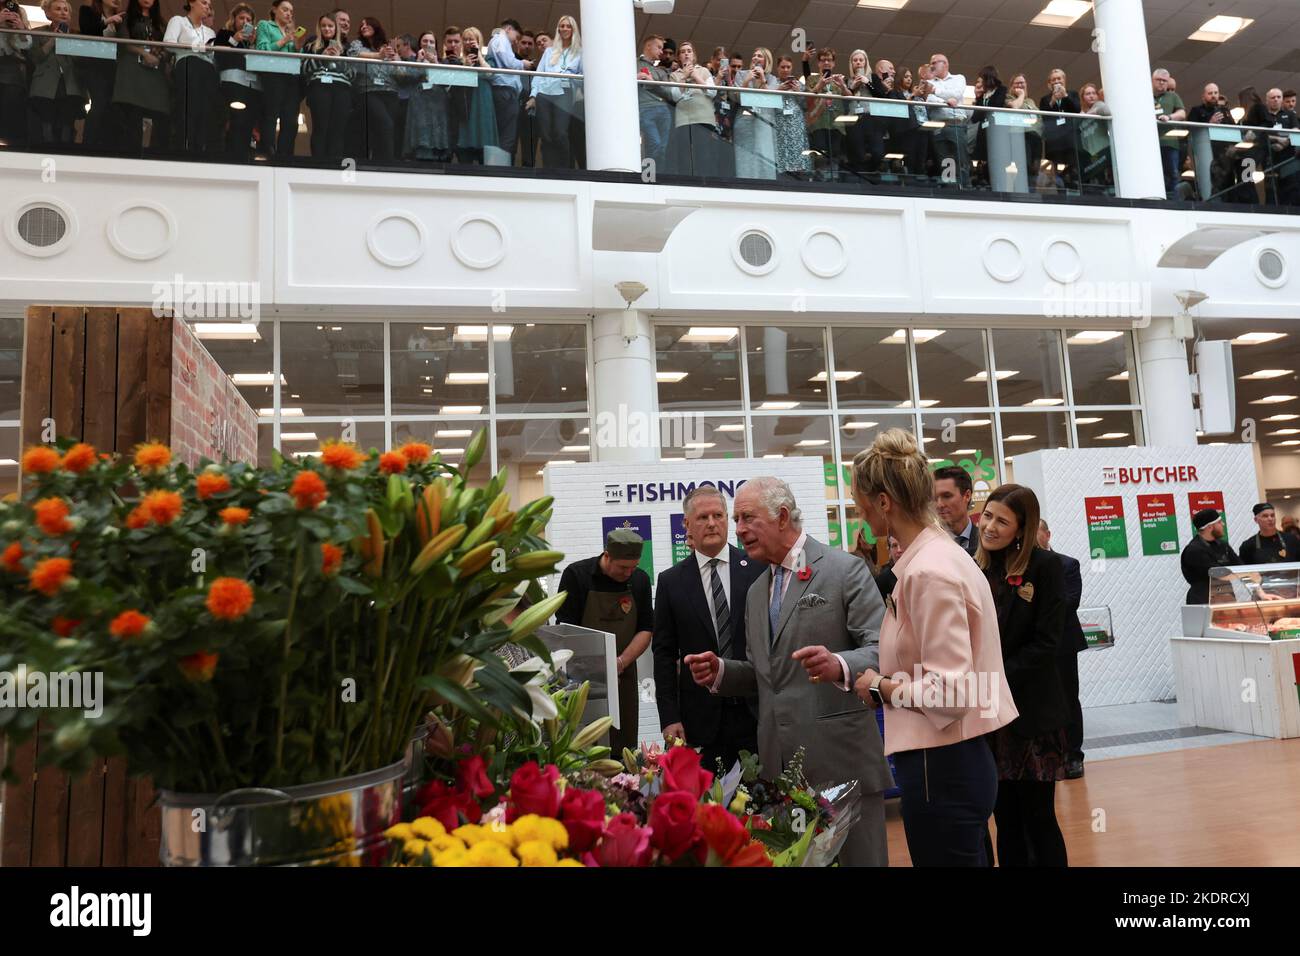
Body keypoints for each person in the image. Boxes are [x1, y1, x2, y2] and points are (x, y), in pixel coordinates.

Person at [685, 476, 894, 866]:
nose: (739, 528)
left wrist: (840, 665)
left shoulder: (843, 569)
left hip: (841, 763)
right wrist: (721, 672)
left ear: (782, 516)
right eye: (737, 519)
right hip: (781, 771)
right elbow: (765, 674)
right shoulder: (755, 590)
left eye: (747, 517)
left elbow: (883, 650)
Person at [850, 429, 1016, 866]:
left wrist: (881, 687)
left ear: (884, 501)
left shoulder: (929, 572)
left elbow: (950, 693)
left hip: (940, 766)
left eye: (860, 499)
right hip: (947, 763)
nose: (857, 509)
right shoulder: (935, 558)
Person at [977, 483, 1069, 867]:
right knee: (1005, 820)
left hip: (1032, 716)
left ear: (1022, 527)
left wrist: (996, 677)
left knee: (1039, 818)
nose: (990, 526)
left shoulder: (1044, 567)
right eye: (987, 515)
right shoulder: (973, 566)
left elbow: (1048, 643)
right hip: (989, 717)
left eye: (1002, 520)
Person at [652, 486, 763, 772]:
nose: (712, 523)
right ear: (687, 525)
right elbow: (663, 654)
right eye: (702, 517)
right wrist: (669, 717)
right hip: (700, 718)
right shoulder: (671, 582)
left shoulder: (758, 569)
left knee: (766, 806)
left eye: (718, 515)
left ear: (728, 519)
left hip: (757, 712)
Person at [556, 528, 653, 756]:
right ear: (607, 555)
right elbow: (564, 630)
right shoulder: (577, 576)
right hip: (581, 677)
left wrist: (619, 663)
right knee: (584, 744)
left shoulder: (639, 581)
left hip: (623, 674)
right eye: (622, 567)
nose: (629, 572)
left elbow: (646, 629)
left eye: (633, 566)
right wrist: (596, 666)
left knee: (624, 745)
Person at [1038, 519, 1086, 779]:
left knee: (1068, 699)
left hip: (1062, 645)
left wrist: (1033, 612)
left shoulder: (1067, 564)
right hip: (1033, 647)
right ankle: (1048, 754)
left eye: (1038, 532)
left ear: (1047, 534)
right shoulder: (1020, 566)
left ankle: (1073, 755)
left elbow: (1069, 603)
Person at [110, 0, 170, 153]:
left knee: (161, 115)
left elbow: (168, 45)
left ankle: (156, 156)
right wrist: (144, 53)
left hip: (155, 73)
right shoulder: (127, 18)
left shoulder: (161, 22)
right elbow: (124, 42)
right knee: (132, 115)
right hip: (132, 70)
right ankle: (131, 154)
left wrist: (159, 54)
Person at [29, 0, 86, 147]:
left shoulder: (78, 35)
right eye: (58, 9)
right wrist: (52, 40)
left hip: (70, 85)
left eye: (66, 10)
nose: (63, 12)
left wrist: (68, 41)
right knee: (46, 127)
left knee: (67, 127)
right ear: (48, 13)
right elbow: (35, 57)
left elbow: (82, 61)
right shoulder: (37, 32)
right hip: (45, 86)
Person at [163, 0, 217, 153]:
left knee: (205, 111)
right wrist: (195, 47)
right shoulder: (178, 21)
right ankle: (184, 147)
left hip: (207, 69)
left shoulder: (210, 32)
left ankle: (200, 148)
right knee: (188, 107)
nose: (207, 6)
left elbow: (211, 54)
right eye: (204, 2)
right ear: (192, 3)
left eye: (209, 4)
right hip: (188, 64)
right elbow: (168, 43)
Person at [528, 15, 580, 170]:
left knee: (560, 132)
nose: (564, 28)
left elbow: (584, 77)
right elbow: (539, 73)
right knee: (545, 134)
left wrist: (571, 77)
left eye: (568, 26)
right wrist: (533, 95)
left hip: (564, 92)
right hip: (544, 92)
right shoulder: (550, 51)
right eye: (561, 26)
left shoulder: (579, 52)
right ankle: (548, 169)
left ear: (573, 29)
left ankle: (565, 169)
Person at [347, 15, 401, 162]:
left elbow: (399, 72)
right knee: (386, 124)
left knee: (384, 130)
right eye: (361, 25)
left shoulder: (386, 46)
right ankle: (388, 164)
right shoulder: (358, 44)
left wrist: (395, 57)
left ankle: (379, 163)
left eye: (367, 24)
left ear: (375, 26)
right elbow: (355, 55)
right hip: (368, 91)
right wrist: (379, 55)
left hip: (390, 91)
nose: (363, 26)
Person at [666, 40, 721, 177]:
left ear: (694, 56)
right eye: (683, 52)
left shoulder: (704, 71)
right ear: (679, 57)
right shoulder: (675, 75)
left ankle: (704, 184)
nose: (686, 54)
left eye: (689, 51)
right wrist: (684, 77)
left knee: (703, 155)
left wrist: (695, 76)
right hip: (684, 119)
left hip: (703, 119)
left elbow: (712, 92)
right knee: (684, 155)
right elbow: (675, 96)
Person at [255, 0, 302, 158]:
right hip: (273, 74)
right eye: (285, 9)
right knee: (271, 114)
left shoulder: (290, 30)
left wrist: (296, 44)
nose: (289, 13)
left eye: (291, 11)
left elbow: (297, 57)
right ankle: (267, 151)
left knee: (290, 119)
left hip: (291, 76)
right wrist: (283, 40)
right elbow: (261, 48)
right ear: (275, 10)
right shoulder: (265, 25)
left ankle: (285, 154)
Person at [214, 3, 260, 161]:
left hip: (253, 86)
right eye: (241, 18)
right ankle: (230, 157)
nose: (245, 21)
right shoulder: (224, 34)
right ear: (233, 19)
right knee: (234, 122)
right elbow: (219, 57)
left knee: (248, 124)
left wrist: (254, 44)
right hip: (232, 83)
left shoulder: (256, 40)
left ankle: (244, 157)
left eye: (249, 19)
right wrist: (234, 40)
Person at [301, 13, 351, 159]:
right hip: (319, 88)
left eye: (330, 26)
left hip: (342, 89)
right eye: (323, 26)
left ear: (336, 28)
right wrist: (322, 56)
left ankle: (334, 163)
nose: (327, 29)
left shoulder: (346, 46)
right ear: (319, 28)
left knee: (338, 129)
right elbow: (303, 69)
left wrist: (339, 59)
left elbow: (353, 74)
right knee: (320, 127)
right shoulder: (311, 43)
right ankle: (319, 162)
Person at [78, 0, 124, 148]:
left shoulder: (121, 19)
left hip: (114, 67)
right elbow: (86, 30)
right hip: (95, 64)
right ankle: (89, 144)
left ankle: (107, 144)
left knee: (112, 105)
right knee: (99, 102)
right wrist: (107, 21)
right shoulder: (87, 11)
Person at [484, 18, 530, 161]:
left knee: (505, 134)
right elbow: (509, 62)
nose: (516, 41)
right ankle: (500, 169)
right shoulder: (500, 40)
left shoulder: (500, 41)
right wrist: (523, 64)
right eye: (516, 37)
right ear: (509, 29)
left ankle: (499, 167)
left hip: (505, 92)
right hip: (505, 91)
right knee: (507, 135)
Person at [732, 47, 779, 180]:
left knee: (765, 156)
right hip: (744, 122)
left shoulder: (772, 79)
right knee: (745, 157)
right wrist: (747, 80)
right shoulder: (741, 74)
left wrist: (762, 80)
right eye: (754, 55)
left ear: (767, 61)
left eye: (760, 56)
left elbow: (771, 101)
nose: (755, 58)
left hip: (764, 123)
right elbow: (736, 98)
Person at [455, 26, 500, 164]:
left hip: (483, 101)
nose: (468, 42)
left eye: (471, 39)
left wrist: (479, 56)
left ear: (478, 41)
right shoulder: (459, 60)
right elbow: (457, 80)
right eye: (466, 39)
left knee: (484, 133)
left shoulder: (488, 57)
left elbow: (490, 74)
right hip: (467, 102)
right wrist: (466, 65)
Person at [805, 47, 849, 181]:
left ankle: (834, 182)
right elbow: (807, 99)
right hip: (818, 122)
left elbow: (849, 97)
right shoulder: (812, 79)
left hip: (836, 123)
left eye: (829, 60)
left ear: (834, 63)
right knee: (820, 152)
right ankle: (820, 181)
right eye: (823, 60)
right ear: (818, 63)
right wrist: (820, 85)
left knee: (835, 153)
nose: (826, 63)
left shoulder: (839, 79)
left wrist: (842, 86)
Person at [637, 34, 680, 173]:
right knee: (654, 144)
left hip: (663, 111)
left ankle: (657, 177)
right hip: (644, 109)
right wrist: (634, 78)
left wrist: (651, 82)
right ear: (648, 46)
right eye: (659, 47)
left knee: (662, 148)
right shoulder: (633, 63)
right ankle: (650, 176)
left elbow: (668, 93)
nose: (662, 51)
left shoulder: (661, 71)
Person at [1181, 508, 1240, 604]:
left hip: (1226, 596)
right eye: (1220, 522)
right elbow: (1216, 573)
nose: (1223, 525)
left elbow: (1240, 566)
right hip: (1203, 600)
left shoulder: (1223, 545)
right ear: (1210, 527)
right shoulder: (1194, 550)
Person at [927, 52, 968, 187]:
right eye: (931, 63)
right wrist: (947, 99)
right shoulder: (928, 82)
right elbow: (930, 100)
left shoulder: (959, 78)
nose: (931, 66)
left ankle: (964, 189)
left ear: (945, 64)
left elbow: (956, 94)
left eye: (934, 63)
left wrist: (936, 92)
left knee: (960, 158)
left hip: (956, 124)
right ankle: (950, 190)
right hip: (938, 126)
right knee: (945, 161)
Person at [1038, 68, 1079, 188]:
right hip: (1054, 140)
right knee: (1055, 168)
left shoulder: (1072, 94)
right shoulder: (1045, 99)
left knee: (1072, 166)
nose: (1056, 81)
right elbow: (1045, 117)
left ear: (1064, 80)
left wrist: (1065, 95)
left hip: (1069, 138)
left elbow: (1076, 110)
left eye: (1059, 78)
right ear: (1049, 83)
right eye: (1053, 80)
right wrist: (1052, 101)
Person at [772, 55, 811, 178]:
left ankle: (799, 175)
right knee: (781, 152)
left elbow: (806, 105)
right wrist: (778, 90)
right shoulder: (773, 83)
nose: (785, 69)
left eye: (788, 67)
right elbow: (767, 102)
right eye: (782, 67)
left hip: (796, 124)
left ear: (792, 68)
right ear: (777, 68)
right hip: (779, 123)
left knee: (798, 152)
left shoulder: (798, 84)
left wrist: (798, 92)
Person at [1153, 68, 1186, 196]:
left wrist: (1169, 117)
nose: (1161, 83)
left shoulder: (1172, 96)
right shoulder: (1143, 94)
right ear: (1152, 80)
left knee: (1172, 173)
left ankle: (1174, 201)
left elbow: (1182, 113)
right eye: (1158, 80)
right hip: (1149, 143)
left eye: (1164, 81)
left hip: (1169, 142)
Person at [933, 465, 979, 556]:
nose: (939, 505)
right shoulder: (928, 545)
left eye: (947, 496)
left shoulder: (986, 542)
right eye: (934, 498)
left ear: (967, 496)